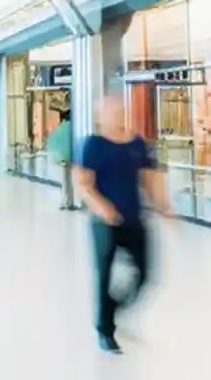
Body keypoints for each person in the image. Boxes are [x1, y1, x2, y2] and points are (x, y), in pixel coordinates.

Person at [75, 95, 171, 354]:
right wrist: (102, 207)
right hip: (104, 224)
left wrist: (162, 205)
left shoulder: (137, 143)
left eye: (121, 110)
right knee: (104, 275)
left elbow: (148, 178)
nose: (119, 114)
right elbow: (84, 184)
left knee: (145, 274)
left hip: (134, 219)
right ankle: (105, 331)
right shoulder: (93, 145)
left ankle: (112, 307)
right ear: (100, 117)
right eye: (113, 111)